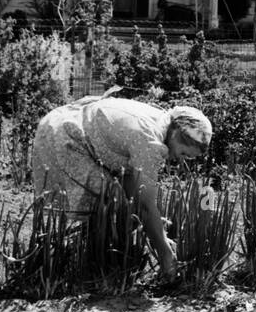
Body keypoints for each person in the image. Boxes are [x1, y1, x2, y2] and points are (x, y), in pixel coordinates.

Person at [30, 94, 213, 282]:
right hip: (65, 136)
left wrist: (154, 227)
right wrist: (165, 251)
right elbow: (145, 204)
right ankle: (88, 271)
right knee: (106, 204)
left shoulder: (163, 121)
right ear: (176, 134)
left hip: (65, 120)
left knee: (120, 206)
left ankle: (89, 261)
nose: (181, 160)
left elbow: (132, 186)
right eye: (183, 153)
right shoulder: (150, 141)